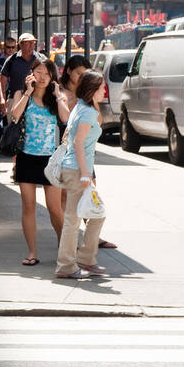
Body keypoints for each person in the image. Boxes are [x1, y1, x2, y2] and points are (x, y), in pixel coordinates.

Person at [6, 59, 68, 266]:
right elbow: (14, 115)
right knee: (28, 206)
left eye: (46, 73)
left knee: (54, 208)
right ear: (30, 74)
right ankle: (32, 252)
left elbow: (67, 119)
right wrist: (27, 92)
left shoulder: (57, 98)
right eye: (38, 72)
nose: (41, 76)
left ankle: (64, 246)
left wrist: (59, 96)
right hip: (26, 157)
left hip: (50, 160)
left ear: (52, 78)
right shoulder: (21, 94)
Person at [55, 71, 109, 279]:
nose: (105, 90)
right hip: (78, 170)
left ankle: (85, 258)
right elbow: (77, 141)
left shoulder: (83, 107)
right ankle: (66, 267)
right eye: (102, 87)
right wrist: (86, 173)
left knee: (96, 213)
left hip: (77, 169)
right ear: (92, 90)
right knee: (74, 219)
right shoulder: (86, 112)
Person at [0, 32, 43, 100]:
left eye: (33, 43)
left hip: (35, 101)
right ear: (20, 45)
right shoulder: (12, 60)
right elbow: (2, 81)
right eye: (28, 43)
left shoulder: (41, 59)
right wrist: (2, 98)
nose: (31, 45)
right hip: (14, 100)